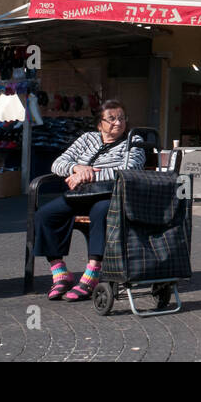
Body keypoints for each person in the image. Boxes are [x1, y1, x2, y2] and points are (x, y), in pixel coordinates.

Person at [32, 99, 145, 301]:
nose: (118, 123)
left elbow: (129, 170)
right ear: (99, 123)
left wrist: (88, 175)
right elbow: (57, 164)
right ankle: (60, 273)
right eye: (111, 119)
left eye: (121, 118)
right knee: (45, 215)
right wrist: (76, 169)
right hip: (81, 194)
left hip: (112, 195)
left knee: (101, 212)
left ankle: (92, 273)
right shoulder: (87, 139)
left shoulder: (133, 143)